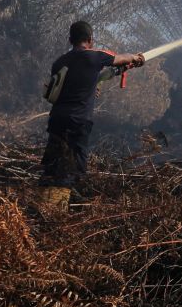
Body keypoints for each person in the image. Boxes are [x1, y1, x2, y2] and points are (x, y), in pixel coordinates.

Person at [39, 21, 143, 206]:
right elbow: (122, 58)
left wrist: (96, 84)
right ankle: (59, 211)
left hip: (57, 119)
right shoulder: (94, 57)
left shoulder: (59, 62)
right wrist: (136, 57)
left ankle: (43, 204)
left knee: (53, 162)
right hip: (77, 121)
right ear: (90, 40)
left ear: (70, 39)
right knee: (73, 167)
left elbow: (72, 84)